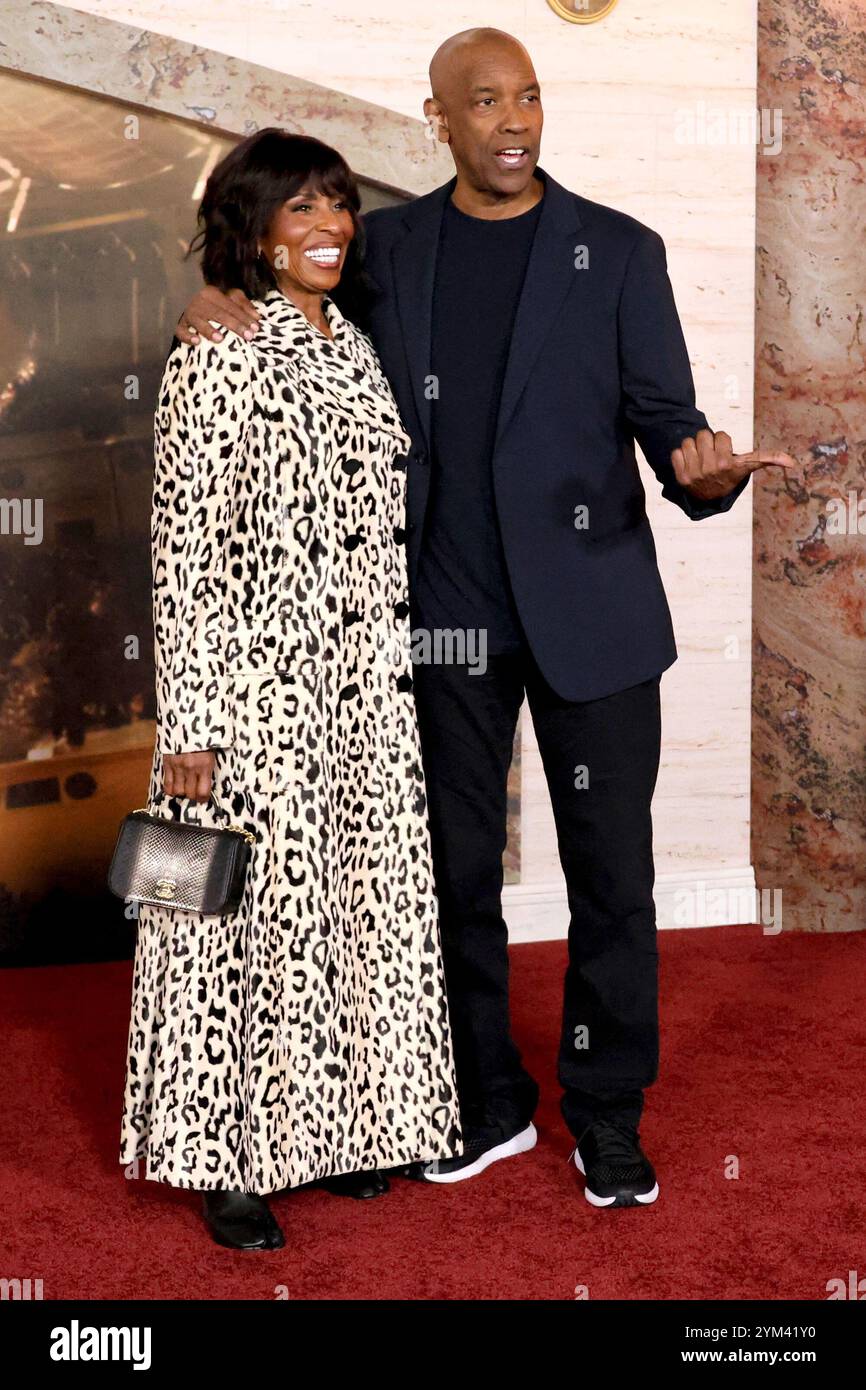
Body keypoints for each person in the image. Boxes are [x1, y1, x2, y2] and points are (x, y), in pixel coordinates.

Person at [174, 30, 795, 1209]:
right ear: (436, 119)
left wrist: (703, 476)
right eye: (483, 102)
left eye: (528, 97)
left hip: (595, 621)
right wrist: (217, 300)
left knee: (611, 877)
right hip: (441, 624)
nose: (512, 121)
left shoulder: (616, 251)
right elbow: (290, 295)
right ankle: (483, 1098)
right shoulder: (386, 248)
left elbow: (668, 420)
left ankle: (605, 1112)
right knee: (451, 876)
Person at [120, 129, 461, 1250]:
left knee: (346, 912)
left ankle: (336, 1129)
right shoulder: (217, 349)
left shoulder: (352, 346)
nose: (327, 227)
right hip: (252, 689)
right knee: (237, 928)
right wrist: (193, 722)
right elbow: (186, 553)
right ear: (254, 226)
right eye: (301, 208)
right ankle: (225, 1161)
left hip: (361, 685)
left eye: (339, 205)